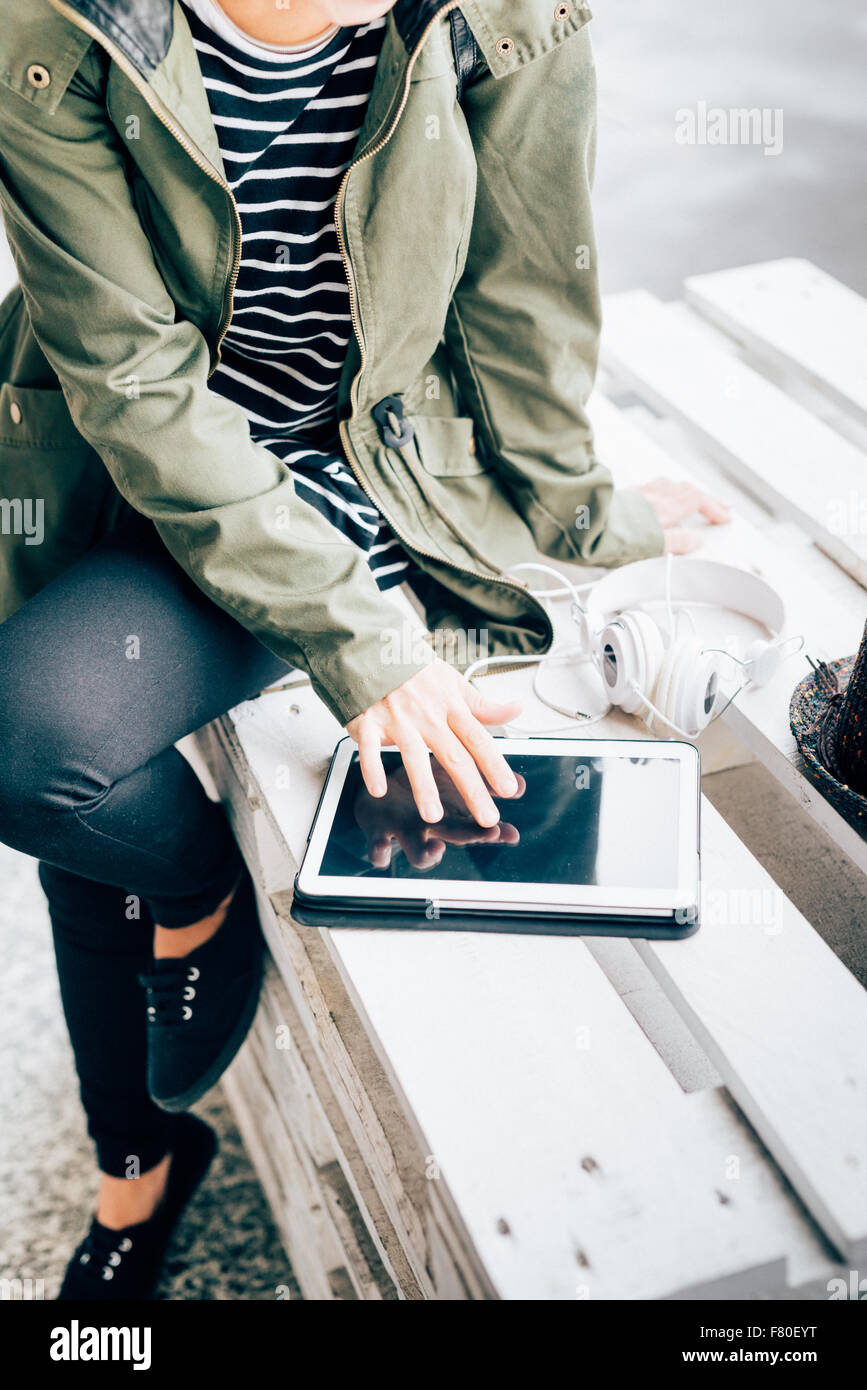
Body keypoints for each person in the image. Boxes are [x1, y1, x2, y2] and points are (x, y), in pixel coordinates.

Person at [0, 0, 729, 1299]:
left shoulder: (502, 16)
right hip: (162, 486)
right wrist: (360, 642)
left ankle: (134, 1162)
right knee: (39, 759)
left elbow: (525, 293)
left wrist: (579, 511)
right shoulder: (54, 30)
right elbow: (134, 387)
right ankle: (154, 1102)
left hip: (395, 485)